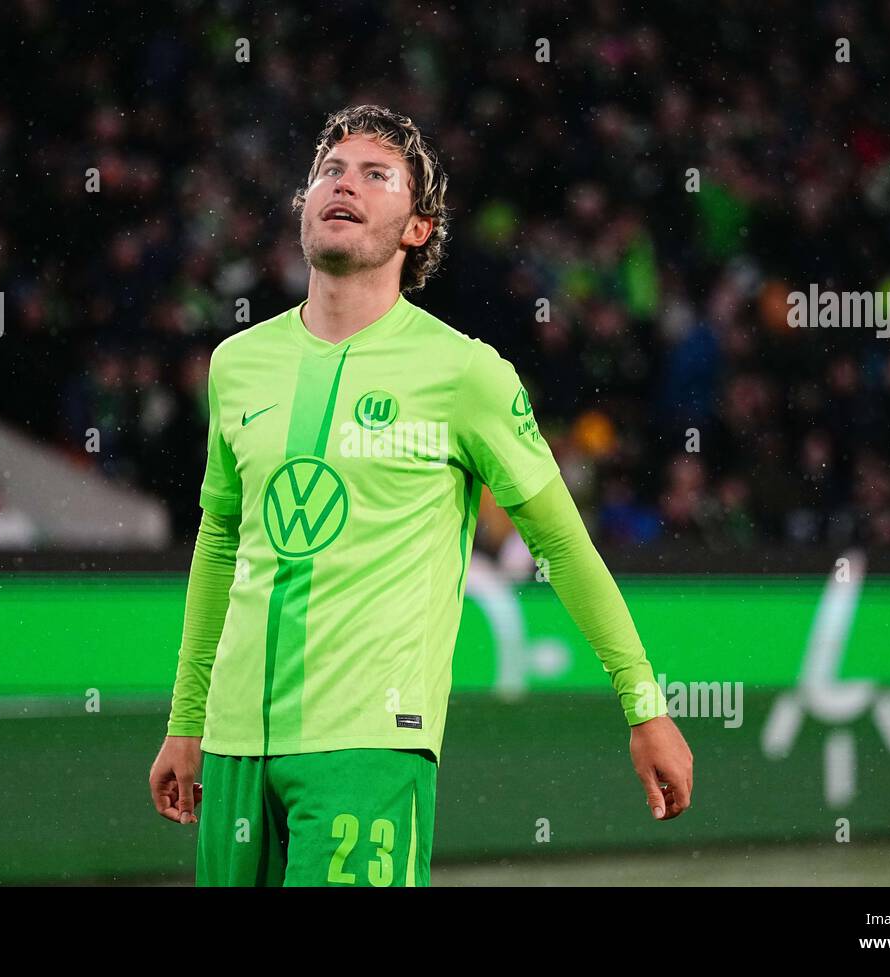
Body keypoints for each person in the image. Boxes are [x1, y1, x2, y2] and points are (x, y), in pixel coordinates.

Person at [149, 105, 693, 887]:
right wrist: (187, 719)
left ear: (418, 228)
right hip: (233, 745)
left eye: (376, 175)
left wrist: (645, 704)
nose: (344, 184)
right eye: (330, 171)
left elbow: (562, 543)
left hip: (369, 745)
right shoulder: (237, 363)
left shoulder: (465, 374)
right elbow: (220, 543)